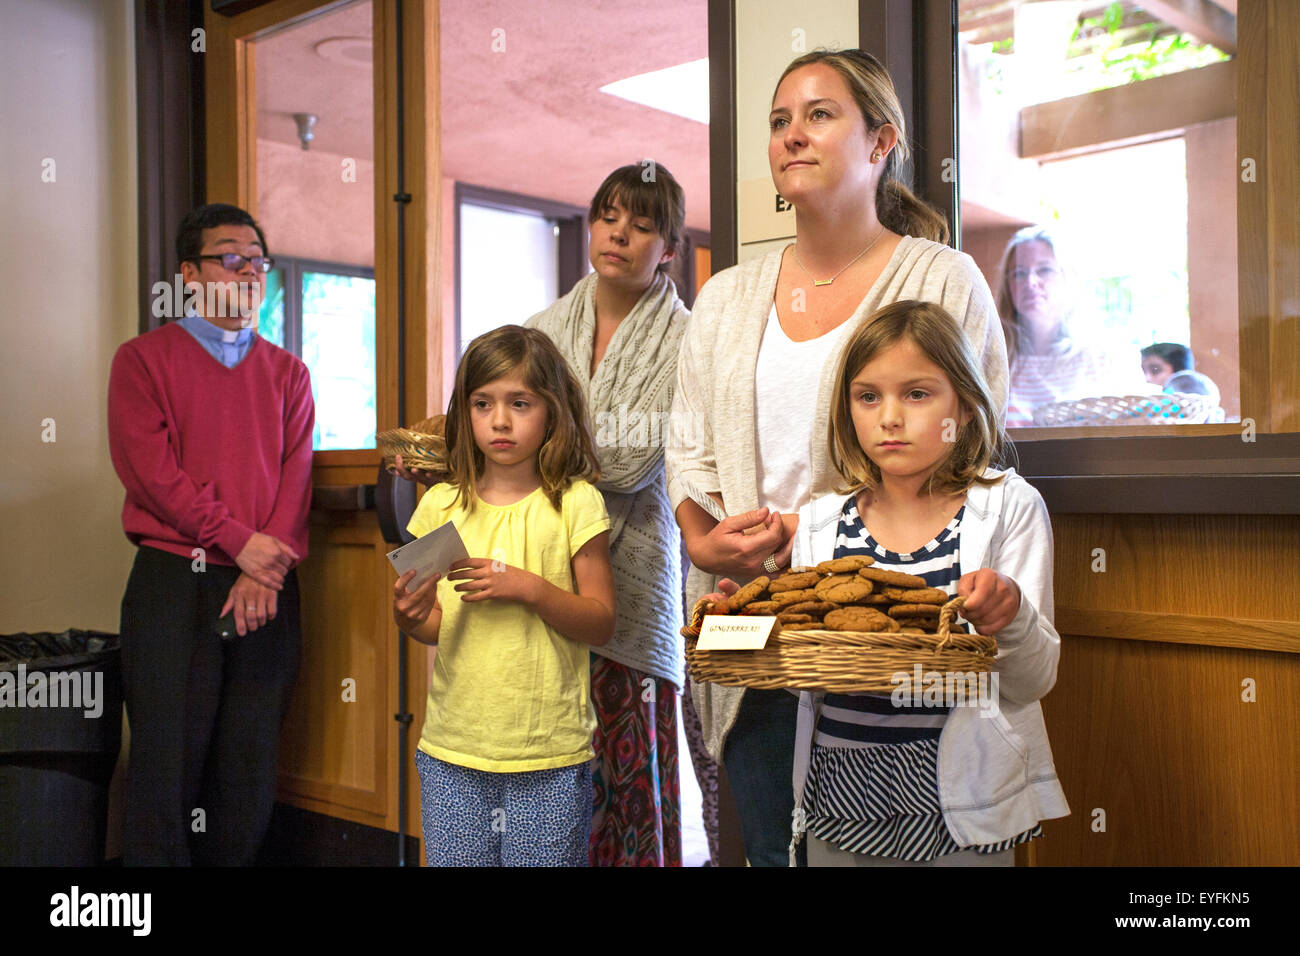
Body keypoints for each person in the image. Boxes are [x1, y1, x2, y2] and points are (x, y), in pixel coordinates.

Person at [666, 49, 1009, 867]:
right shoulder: (725, 298)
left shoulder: (942, 281)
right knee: (774, 847)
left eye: (819, 115)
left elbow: (979, 453)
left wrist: (828, 537)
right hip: (753, 629)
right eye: (780, 121)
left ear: (881, 139)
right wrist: (699, 538)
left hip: (891, 643)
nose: (792, 135)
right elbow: (686, 446)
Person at [779, 299, 1068, 865]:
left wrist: (1011, 619)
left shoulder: (1009, 508)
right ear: (847, 411)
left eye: (917, 393)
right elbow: (806, 683)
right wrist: (753, 629)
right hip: (839, 799)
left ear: (962, 407)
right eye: (868, 396)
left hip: (963, 799)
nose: (890, 416)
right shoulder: (819, 524)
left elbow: (1034, 679)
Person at [108, 203, 314, 865]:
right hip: (175, 587)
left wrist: (262, 566)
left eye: (257, 258)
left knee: (248, 767)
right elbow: (152, 477)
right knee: (167, 767)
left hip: (268, 587)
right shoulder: (142, 361)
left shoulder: (290, 374)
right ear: (189, 274)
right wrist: (239, 542)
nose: (249, 270)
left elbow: (296, 478)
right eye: (231, 256)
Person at [392, 325, 616, 866]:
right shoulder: (440, 507)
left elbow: (602, 621)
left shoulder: (575, 503)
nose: (499, 421)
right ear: (463, 413)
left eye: (520, 403)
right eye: (482, 403)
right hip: (452, 751)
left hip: (550, 756)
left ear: (552, 411)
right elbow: (433, 627)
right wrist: (410, 616)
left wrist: (531, 589)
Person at [525, 163, 695, 867]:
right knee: (543, 771)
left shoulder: (687, 339)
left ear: (669, 250)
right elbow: (499, 433)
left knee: (619, 783)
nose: (619, 233)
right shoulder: (540, 329)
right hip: (537, 568)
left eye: (643, 224)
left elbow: (629, 466)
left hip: (634, 579)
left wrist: (534, 448)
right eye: (609, 215)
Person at [996, 226, 1148, 426]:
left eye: (1044, 270)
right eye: (1019, 273)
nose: (1031, 281)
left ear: (1069, 278)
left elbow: (1140, 423)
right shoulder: (993, 359)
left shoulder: (1105, 357)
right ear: (1008, 285)